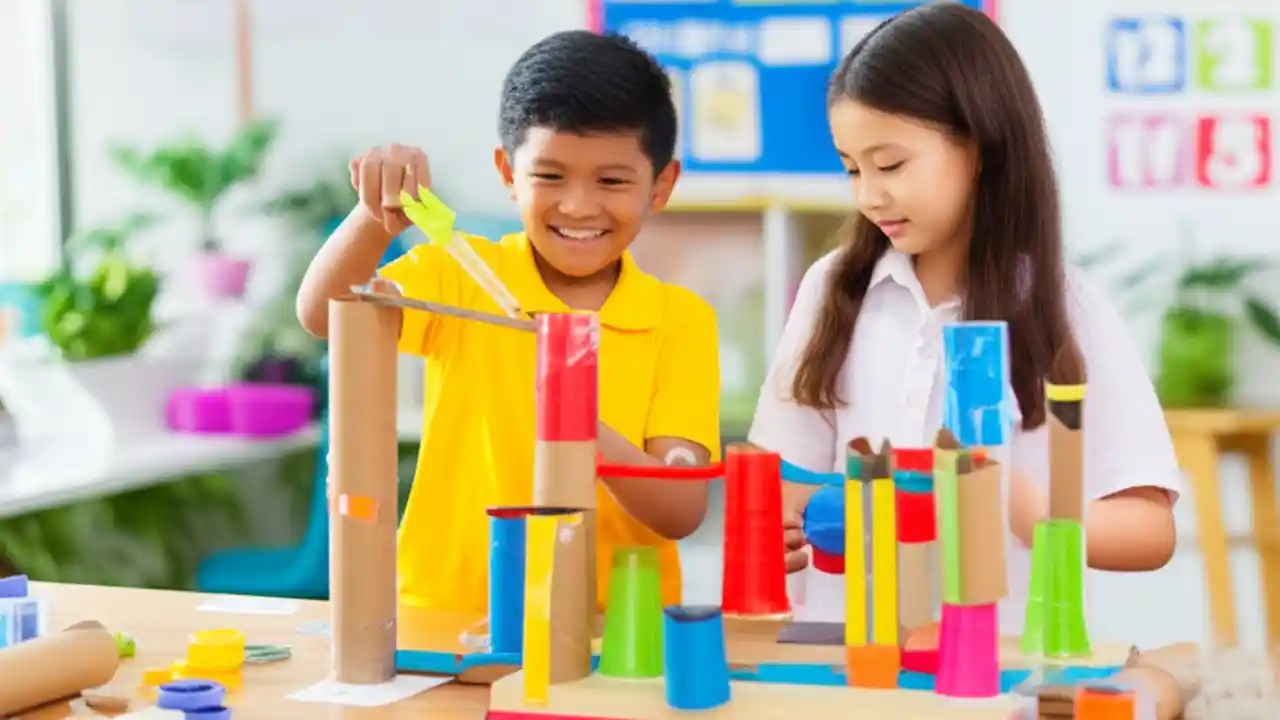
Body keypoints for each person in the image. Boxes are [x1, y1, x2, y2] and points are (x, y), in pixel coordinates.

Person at [747, 5, 1179, 627]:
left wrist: (1018, 503)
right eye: (852, 169)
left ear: (978, 146)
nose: (869, 194)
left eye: (890, 164)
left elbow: (1149, 531)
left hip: (996, 663)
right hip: (843, 651)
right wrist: (780, 524)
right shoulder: (833, 289)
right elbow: (779, 481)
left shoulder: (1063, 308)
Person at [295, 30, 721, 613]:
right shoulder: (460, 274)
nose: (577, 206)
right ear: (506, 171)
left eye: (612, 181)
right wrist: (374, 220)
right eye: (549, 176)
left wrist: (577, 425)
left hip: (612, 632)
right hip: (443, 616)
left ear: (661, 185)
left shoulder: (679, 321)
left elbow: (681, 511)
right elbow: (323, 315)